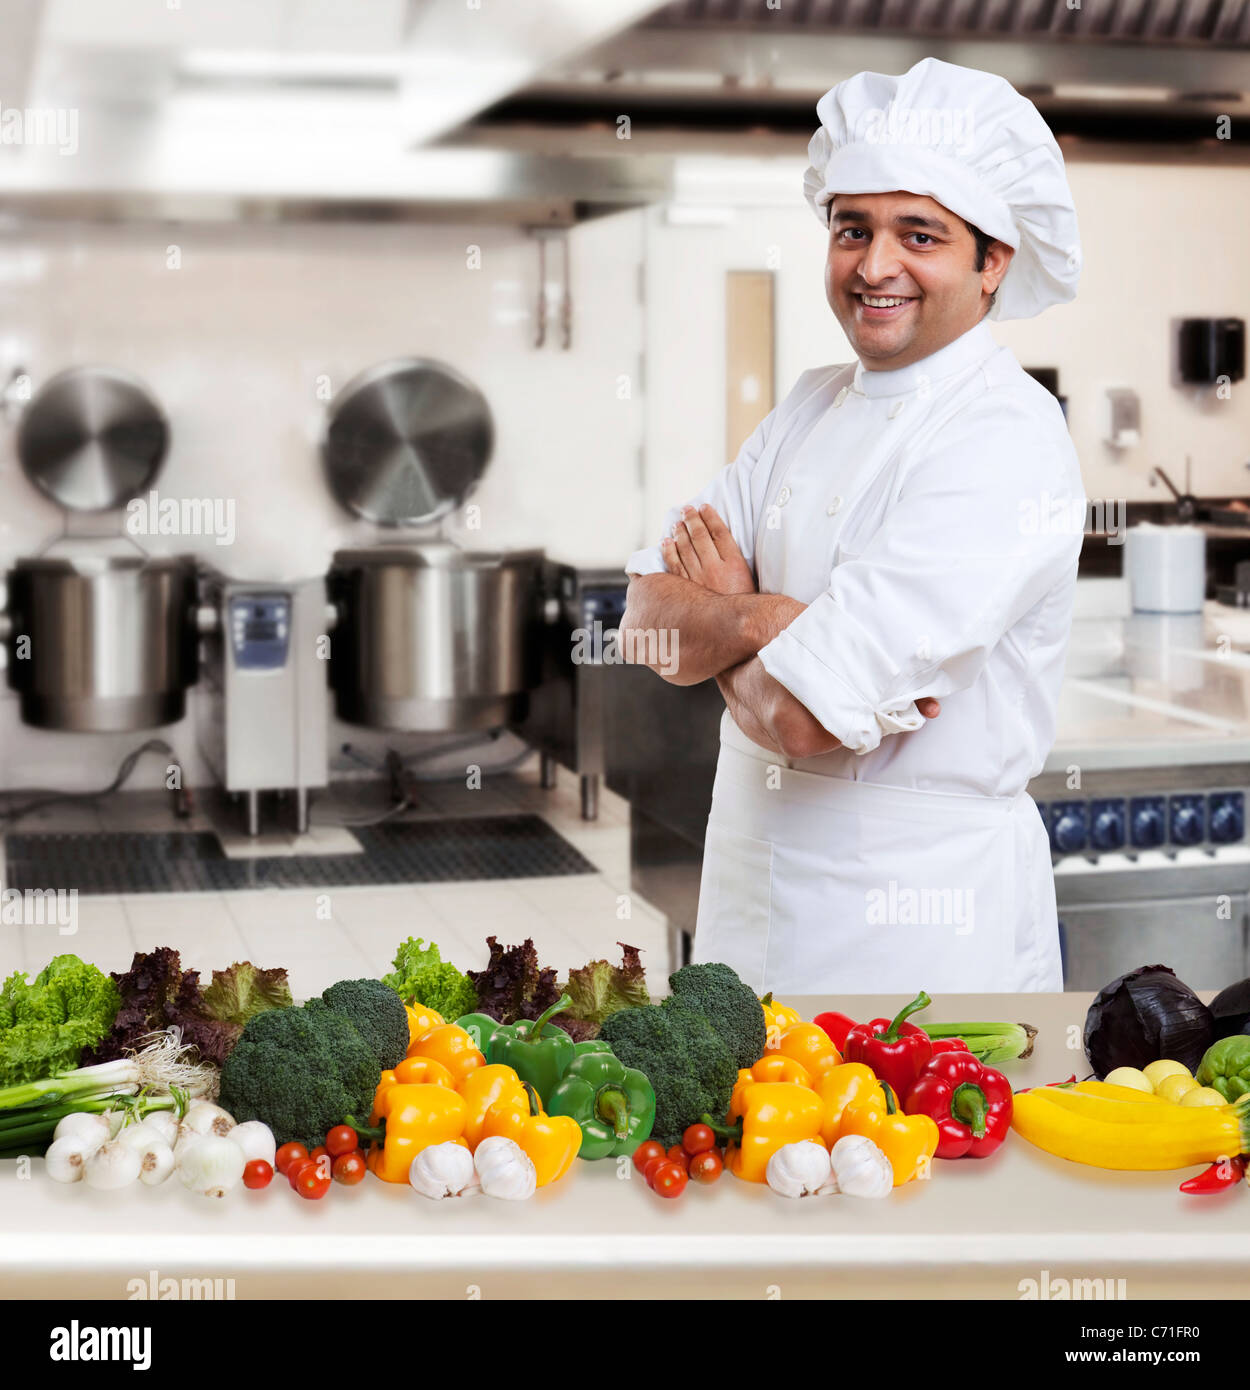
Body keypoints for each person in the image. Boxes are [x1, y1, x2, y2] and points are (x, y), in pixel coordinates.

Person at [621, 57, 1086, 994]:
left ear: (993, 260)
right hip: (750, 910)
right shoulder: (807, 406)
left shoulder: (1006, 436)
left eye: (920, 234)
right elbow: (644, 620)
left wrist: (724, 619)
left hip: (919, 940)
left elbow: (799, 721)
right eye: (852, 230)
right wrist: (761, 623)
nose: (875, 266)